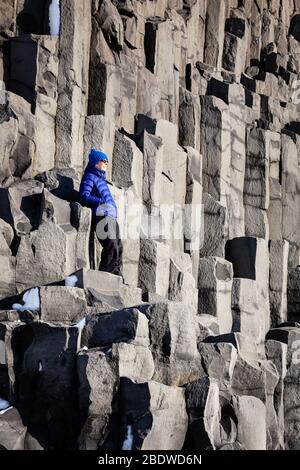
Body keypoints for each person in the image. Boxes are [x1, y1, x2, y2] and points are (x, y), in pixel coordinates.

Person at [79, 148, 123, 277]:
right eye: (104, 161)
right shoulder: (90, 177)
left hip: (111, 217)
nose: (106, 163)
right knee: (111, 245)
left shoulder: (101, 180)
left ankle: (116, 274)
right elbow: (84, 196)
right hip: (101, 215)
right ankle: (106, 274)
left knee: (119, 247)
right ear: (95, 162)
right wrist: (101, 202)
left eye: (107, 161)